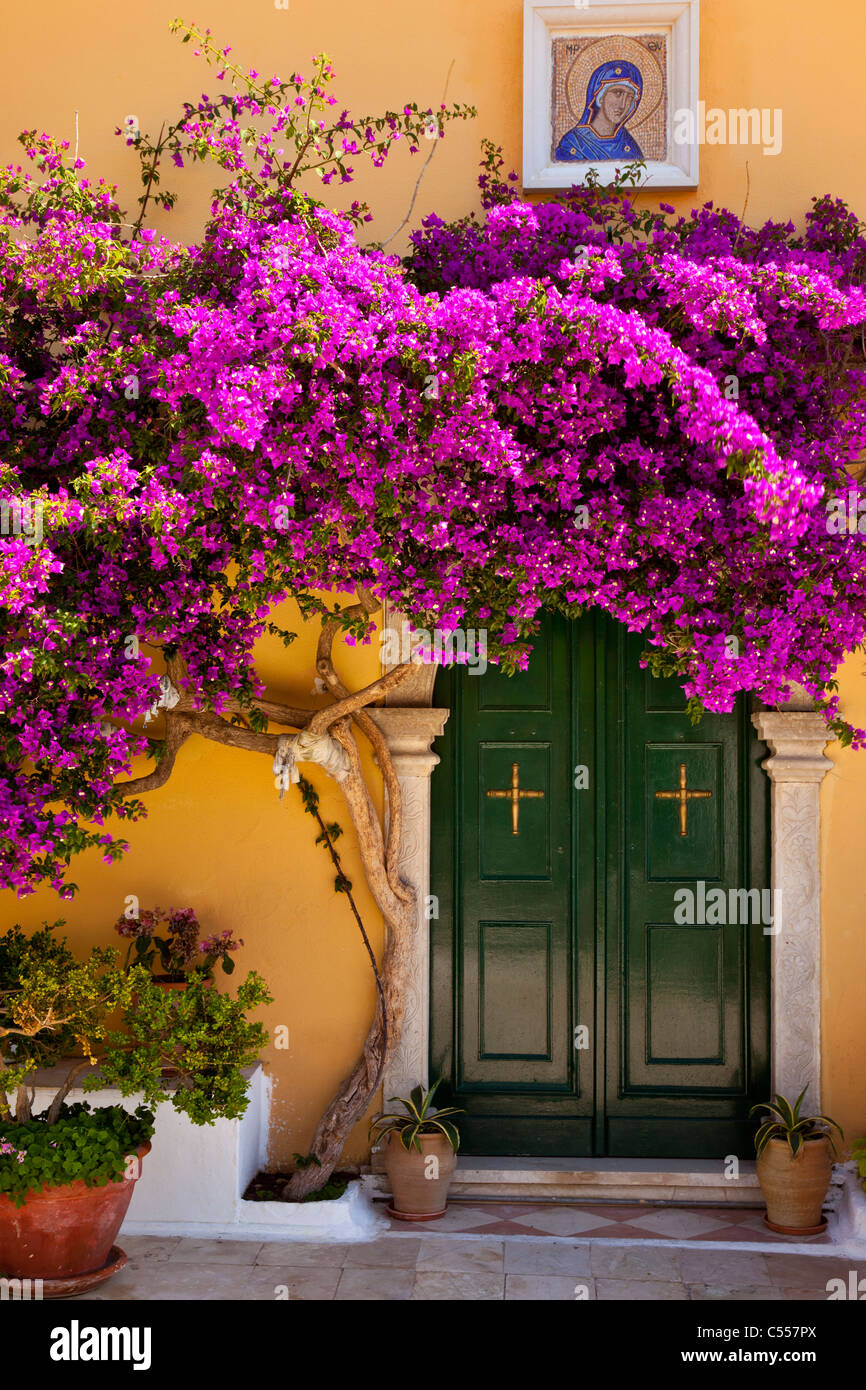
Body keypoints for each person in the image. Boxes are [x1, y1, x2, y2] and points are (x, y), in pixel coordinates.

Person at [556, 59, 644, 161]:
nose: (623, 104)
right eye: (618, 93)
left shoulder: (629, 146)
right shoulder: (573, 144)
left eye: (630, 97)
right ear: (600, 96)